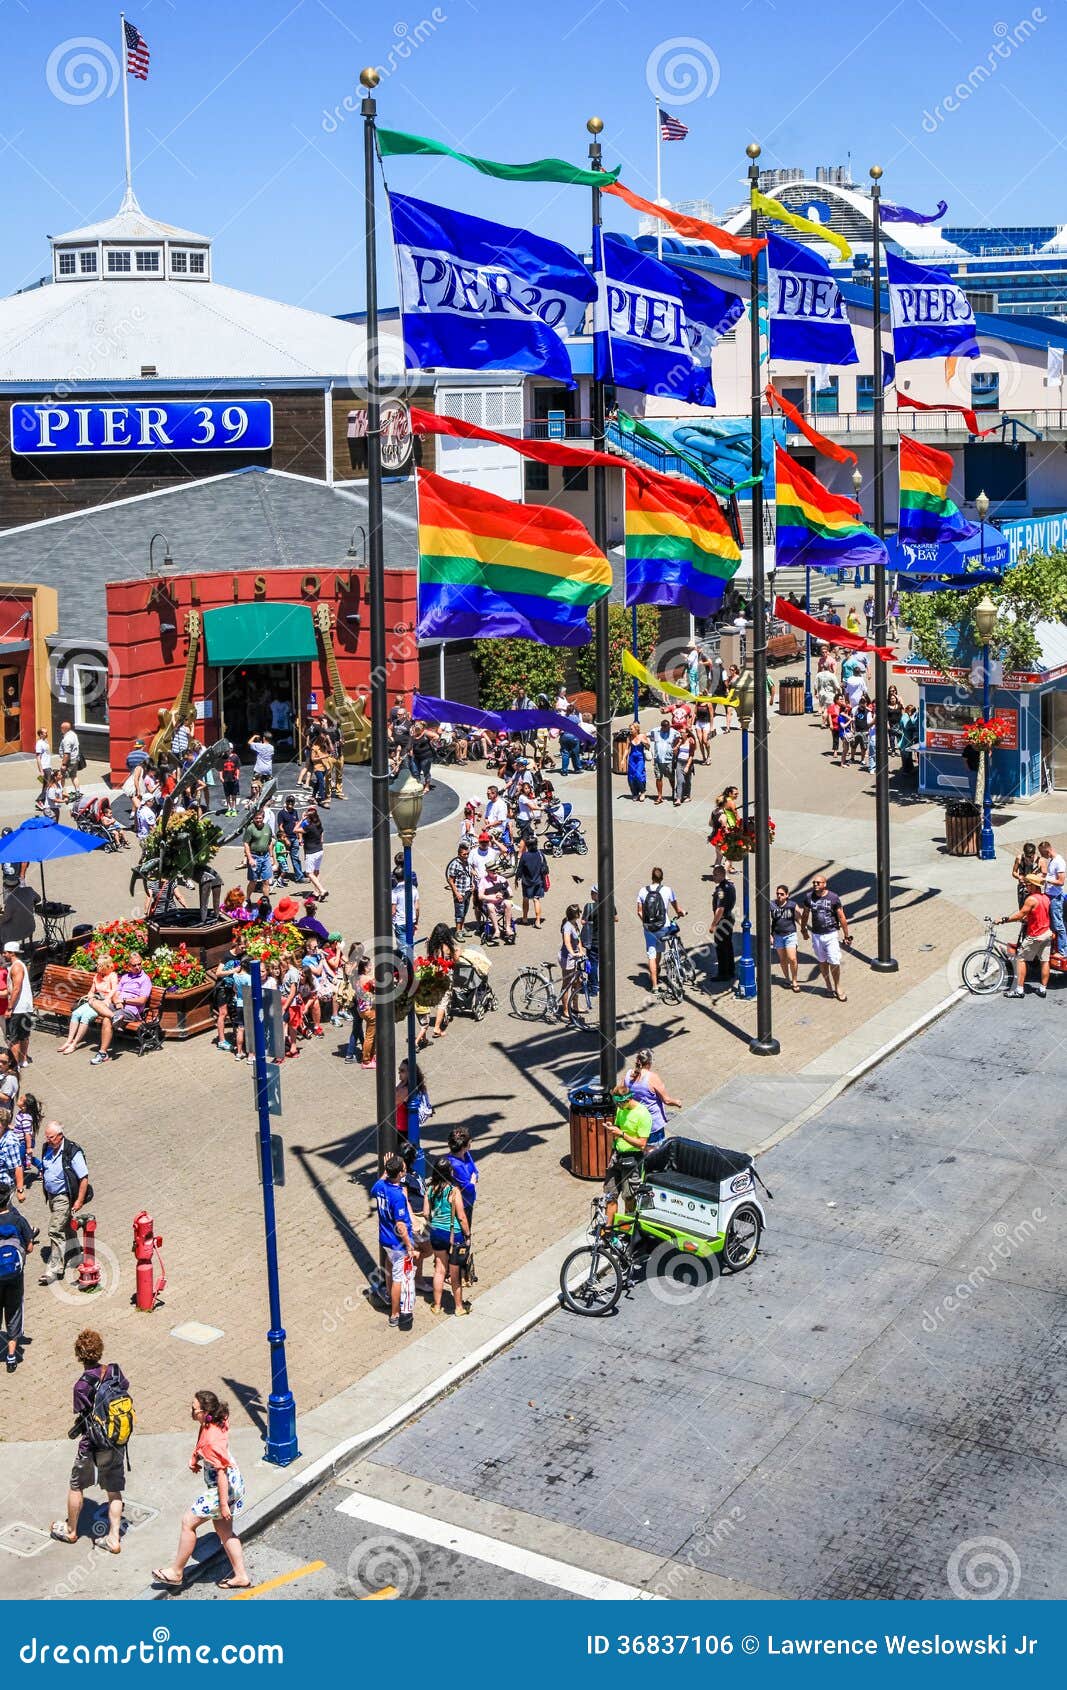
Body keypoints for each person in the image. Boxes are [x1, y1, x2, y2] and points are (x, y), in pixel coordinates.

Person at [152, 1391, 249, 1590]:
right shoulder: (216, 1419)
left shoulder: (212, 1442)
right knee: (225, 1533)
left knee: (188, 1522)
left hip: (222, 1489)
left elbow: (221, 1473)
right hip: (235, 1482)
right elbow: (202, 1435)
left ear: (205, 1412)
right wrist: (195, 1456)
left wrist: (223, 1505)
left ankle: (176, 1572)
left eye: (194, 1409)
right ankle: (241, 1576)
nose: (191, 1411)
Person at [50, 1330, 128, 1554]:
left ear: (79, 1355)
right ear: (100, 1350)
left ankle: (71, 1529)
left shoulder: (81, 1386)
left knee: (76, 1486)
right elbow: (125, 1388)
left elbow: (82, 1412)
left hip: (91, 1444)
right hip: (115, 1440)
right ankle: (113, 1538)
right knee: (113, 1491)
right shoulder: (114, 1370)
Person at [372, 1153, 417, 1329]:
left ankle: (390, 1295)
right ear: (399, 1174)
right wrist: (409, 1245)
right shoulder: (397, 1195)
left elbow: (375, 1188)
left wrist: (386, 1169)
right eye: (403, 1169)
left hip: (384, 1238)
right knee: (399, 1278)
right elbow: (400, 1225)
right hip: (397, 1243)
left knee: (388, 1265)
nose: (405, 1170)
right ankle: (395, 1313)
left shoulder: (380, 1185)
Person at [601, 1082, 652, 1230]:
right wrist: (613, 1129)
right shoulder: (621, 1109)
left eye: (619, 1103)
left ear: (627, 1100)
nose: (617, 1106)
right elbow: (619, 1129)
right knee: (610, 1195)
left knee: (629, 1198)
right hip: (617, 1157)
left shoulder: (643, 1115)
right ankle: (608, 1230)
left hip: (632, 1160)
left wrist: (622, 1134)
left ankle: (626, 1231)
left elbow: (642, 1144)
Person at [426, 1158, 471, 1318]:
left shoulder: (430, 1189)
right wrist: (468, 1235)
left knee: (439, 1270)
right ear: (449, 1173)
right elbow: (462, 1216)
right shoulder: (454, 1191)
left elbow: (426, 1213)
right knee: (455, 1272)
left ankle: (437, 1305)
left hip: (436, 1233)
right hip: (454, 1235)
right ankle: (458, 1307)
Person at [91, 952, 153, 1065]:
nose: (137, 967)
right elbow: (116, 993)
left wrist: (124, 1001)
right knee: (93, 1001)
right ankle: (114, 1017)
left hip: (132, 1010)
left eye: (139, 964)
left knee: (106, 1019)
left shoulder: (145, 980)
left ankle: (102, 1053)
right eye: (134, 965)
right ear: (129, 966)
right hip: (118, 1006)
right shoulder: (125, 977)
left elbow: (142, 1001)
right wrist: (117, 1002)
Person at [799, 875, 852, 1001]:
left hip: (831, 934)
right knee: (822, 961)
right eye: (814, 883)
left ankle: (837, 986)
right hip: (817, 935)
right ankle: (828, 985)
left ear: (825, 884)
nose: (815, 884)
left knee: (834, 961)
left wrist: (846, 935)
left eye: (818, 882)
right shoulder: (809, 897)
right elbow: (805, 914)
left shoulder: (833, 898)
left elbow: (841, 917)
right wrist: (803, 929)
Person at [1000, 874, 1053, 997]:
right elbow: (1038, 914)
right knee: (1045, 961)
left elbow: (1019, 914)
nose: (1026, 887)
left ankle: (1019, 990)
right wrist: (1028, 919)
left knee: (1021, 958)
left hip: (1035, 935)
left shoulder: (1031, 899)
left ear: (1034, 886)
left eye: (1028, 884)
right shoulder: (1045, 898)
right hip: (1046, 933)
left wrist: (1004, 919)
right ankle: (1042, 989)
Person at [58, 952, 119, 1055]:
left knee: (85, 1017)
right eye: (98, 965)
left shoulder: (112, 975)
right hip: (94, 1000)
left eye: (99, 965)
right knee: (76, 1013)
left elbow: (114, 989)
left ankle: (74, 1044)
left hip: (104, 1003)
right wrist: (90, 995)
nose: (97, 967)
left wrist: (107, 999)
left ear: (106, 966)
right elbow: (92, 990)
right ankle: (68, 1041)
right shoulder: (97, 976)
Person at [0, 1179, 32, 1373]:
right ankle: (11, 1356)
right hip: (14, 1277)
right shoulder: (17, 1220)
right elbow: (29, 1247)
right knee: (13, 1312)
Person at [636, 867, 684, 993]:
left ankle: (655, 986)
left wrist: (646, 922)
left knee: (651, 954)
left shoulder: (642, 891)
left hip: (649, 928)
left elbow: (639, 912)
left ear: (651, 877)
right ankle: (662, 970)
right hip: (664, 926)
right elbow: (677, 909)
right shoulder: (667, 890)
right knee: (659, 951)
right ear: (662, 878)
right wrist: (681, 912)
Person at [619, 1049, 679, 1147]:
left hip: (635, 1122)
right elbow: (666, 1100)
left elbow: (620, 1092)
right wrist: (677, 1102)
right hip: (653, 1125)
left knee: (638, 1151)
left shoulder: (628, 1074)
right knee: (655, 1153)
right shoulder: (652, 1077)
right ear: (649, 1063)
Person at [3, 941, 34, 1070]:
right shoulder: (19, 965)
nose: (3, 955)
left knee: (14, 1038)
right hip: (25, 1006)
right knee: (23, 1035)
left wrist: (9, 1008)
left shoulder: (16, 967)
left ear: (11, 953)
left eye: (5, 952)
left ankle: (14, 1065)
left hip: (18, 1008)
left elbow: (16, 989)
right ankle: (23, 1060)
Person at [445, 1126, 479, 1234]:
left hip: (468, 1200)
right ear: (464, 1146)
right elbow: (468, 1188)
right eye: (470, 1142)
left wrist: (473, 1178)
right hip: (463, 1203)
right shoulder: (456, 1165)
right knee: (463, 1229)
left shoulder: (466, 1154)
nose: (471, 1143)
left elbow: (475, 1171)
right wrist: (472, 1181)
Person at [708, 865, 738, 983]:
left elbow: (720, 908)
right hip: (729, 918)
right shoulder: (730, 885)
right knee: (728, 945)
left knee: (721, 947)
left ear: (721, 875)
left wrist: (713, 924)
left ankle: (723, 973)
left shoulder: (721, 890)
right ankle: (730, 970)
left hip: (722, 921)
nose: (713, 876)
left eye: (715, 874)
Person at [559, 902, 586, 1028]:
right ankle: (565, 1009)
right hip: (567, 958)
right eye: (579, 912)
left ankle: (575, 1006)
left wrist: (580, 950)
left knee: (578, 982)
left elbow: (578, 940)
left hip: (576, 957)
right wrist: (572, 953)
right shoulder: (567, 926)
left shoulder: (575, 924)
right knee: (567, 984)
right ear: (574, 914)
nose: (580, 914)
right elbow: (567, 942)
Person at [1037, 839, 1066, 956]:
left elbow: (1061, 881)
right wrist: (1043, 876)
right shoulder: (1052, 860)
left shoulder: (1059, 862)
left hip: (1056, 897)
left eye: (1043, 854)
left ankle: (1063, 951)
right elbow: (1051, 876)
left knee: (1058, 925)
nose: (1042, 856)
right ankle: (1054, 948)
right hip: (1049, 895)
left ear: (1048, 851)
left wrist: (1046, 879)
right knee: (1052, 924)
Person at [771, 883, 802, 990]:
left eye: (782, 894)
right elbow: (765, 919)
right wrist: (769, 935)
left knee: (792, 958)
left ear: (787, 895)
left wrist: (804, 929)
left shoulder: (792, 905)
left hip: (790, 934)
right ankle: (787, 978)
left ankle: (794, 980)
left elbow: (799, 918)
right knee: (783, 959)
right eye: (777, 894)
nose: (779, 896)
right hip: (777, 935)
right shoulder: (772, 904)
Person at [516, 834, 548, 928]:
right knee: (536, 899)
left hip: (526, 882)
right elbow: (545, 867)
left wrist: (517, 878)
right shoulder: (540, 854)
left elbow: (520, 868)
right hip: (538, 881)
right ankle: (537, 920)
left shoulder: (525, 856)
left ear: (527, 846)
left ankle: (525, 918)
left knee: (526, 899)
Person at [298, 804, 327, 900]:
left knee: (309, 873)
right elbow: (322, 832)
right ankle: (316, 892)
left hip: (311, 851)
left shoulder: (307, 824)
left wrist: (301, 819)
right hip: (319, 849)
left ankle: (322, 890)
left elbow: (296, 830)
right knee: (316, 871)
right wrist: (301, 839)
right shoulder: (318, 823)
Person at [708, 788, 740, 875]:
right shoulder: (723, 816)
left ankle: (716, 874)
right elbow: (725, 829)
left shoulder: (714, 812)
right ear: (725, 803)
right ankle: (724, 876)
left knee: (718, 858)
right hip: (722, 838)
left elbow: (710, 824)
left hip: (714, 836)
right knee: (729, 857)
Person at [446, 842, 474, 936]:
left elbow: (469, 875)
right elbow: (451, 880)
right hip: (460, 892)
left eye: (467, 854)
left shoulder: (467, 862)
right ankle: (458, 932)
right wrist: (457, 893)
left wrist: (472, 884)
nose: (466, 856)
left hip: (468, 891)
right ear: (459, 854)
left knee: (464, 911)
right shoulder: (455, 864)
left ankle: (462, 929)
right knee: (459, 913)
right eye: (464, 854)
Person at [650, 717, 679, 805]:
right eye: (665, 728)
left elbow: (679, 739)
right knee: (658, 777)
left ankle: (674, 793)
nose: (667, 729)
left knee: (671, 777)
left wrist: (676, 747)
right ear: (662, 727)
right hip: (658, 759)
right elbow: (647, 736)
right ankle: (659, 796)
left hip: (668, 759)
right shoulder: (655, 731)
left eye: (668, 727)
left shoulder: (674, 732)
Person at [276, 795, 304, 881]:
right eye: (289, 801)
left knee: (295, 857)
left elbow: (297, 824)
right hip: (285, 839)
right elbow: (280, 827)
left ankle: (299, 877)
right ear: (286, 802)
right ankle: (280, 875)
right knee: (282, 857)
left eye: (292, 802)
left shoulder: (294, 812)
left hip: (294, 838)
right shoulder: (281, 813)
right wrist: (285, 839)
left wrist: (300, 838)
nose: (290, 803)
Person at [1012, 842, 1047, 909]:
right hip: (1023, 888)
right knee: (1023, 910)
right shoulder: (1019, 858)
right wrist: (1019, 877)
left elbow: (1045, 875)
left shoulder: (1040, 861)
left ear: (1034, 853)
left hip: (1035, 889)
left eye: (1031, 856)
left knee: (1035, 909)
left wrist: (1038, 876)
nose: (1029, 858)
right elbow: (1014, 872)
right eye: (1027, 856)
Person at [407, 719, 434, 792]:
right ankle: (417, 784)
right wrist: (411, 751)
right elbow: (411, 743)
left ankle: (427, 786)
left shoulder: (425, 733)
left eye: (418, 729)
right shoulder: (413, 734)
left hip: (426, 756)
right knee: (415, 771)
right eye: (416, 728)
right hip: (416, 756)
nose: (416, 730)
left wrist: (432, 741)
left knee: (426, 771)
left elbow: (436, 736)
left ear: (422, 729)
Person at [58, 721, 82, 800]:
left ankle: (61, 793)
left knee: (61, 776)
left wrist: (64, 764)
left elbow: (66, 754)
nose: (60, 729)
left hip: (69, 761)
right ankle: (78, 792)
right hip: (75, 759)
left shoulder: (67, 739)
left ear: (65, 729)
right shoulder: (73, 734)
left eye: (61, 728)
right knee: (74, 776)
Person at [219, 746, 241, 816]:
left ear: (232, 749)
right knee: (227, 795)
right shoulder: (222, 757)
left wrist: (237, 776)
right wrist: (221, 777)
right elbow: (220, 768)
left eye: (230, 749)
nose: (229, 750)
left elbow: (237, 767)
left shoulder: (235, 757)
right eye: (227, 749)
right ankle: (229, 808)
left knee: (234, 794)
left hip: (233, 778)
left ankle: (233, 808)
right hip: (226, 779)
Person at [897, 704, 918, 775]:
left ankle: (910, 769)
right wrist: (915, 727)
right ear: (908, 710)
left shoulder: (907, 716)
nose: (912, 713)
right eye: (912, 711)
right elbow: (907, 726)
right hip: (905, 739)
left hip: (908, 739)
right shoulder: (905, 716)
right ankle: (906, 771)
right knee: (905, 755)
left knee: (908, 755)